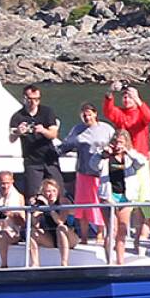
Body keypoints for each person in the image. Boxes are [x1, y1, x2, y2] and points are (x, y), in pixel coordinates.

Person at [57, 102, 114, 246]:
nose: (87, 117)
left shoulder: (106, 128)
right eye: (84, 115)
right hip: (83, 173)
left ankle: (101, 234)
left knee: (99, 204)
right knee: (82, 207)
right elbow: (66, 145)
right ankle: (83, 237)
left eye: (89, 114)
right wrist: (52, 151)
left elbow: (116, 143)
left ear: (95, 113)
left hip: (101, 174)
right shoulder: (78, 129)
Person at [97, 130, 146, 265]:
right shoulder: (106, 156)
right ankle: (109, 261)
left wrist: (128, 151)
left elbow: (142, 162)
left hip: (126, 197)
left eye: (121, 142)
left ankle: (120, 261)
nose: (118, 145)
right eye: (116, 142)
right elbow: (92, 165)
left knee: (122, 230)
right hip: (108, 196)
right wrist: (102, 154)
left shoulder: (131, 157)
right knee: (111, 230)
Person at [9, 84, 62, 197]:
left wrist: (43, 131)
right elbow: (11, 138)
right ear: (24, 98)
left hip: (50, 159)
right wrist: (18, 132)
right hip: (32, 161)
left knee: (58, 192)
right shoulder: (17, 116)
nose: (33, 102)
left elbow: (53, 134)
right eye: (30, 99)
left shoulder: (47, 112)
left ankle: (58, 214)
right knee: (33, 195)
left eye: (36, 99)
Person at [26, 178, 79, 268]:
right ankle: (35, 263)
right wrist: (34, 211)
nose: (52, 194)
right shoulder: (41, 204)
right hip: (51, 238)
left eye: (54, 191)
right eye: (48, 191)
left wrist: (48, 207)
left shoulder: (63, 201)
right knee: (32, 232)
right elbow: (35, 225)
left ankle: (64, 263)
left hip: (69, 237)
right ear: (43, 193)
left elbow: (60, 221)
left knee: (61, 228)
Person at [102, 81, 150, 153]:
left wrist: (137, 99)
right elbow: (108, 110)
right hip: (122, 155)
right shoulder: (119, 113)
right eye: (124, 97)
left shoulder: (141, 113)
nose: (127, 100)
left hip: (139, 155)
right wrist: (110, 91)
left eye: (130, 97)